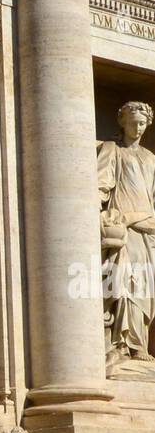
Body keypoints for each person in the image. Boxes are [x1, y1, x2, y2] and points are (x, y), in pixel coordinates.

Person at [98, 101, 155, 368]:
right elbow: (102, 183)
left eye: (142, 123)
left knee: (146, 288)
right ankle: (125, 343)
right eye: (133, 122)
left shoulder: (150, 158)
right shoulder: (113, 150)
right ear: (122, 122)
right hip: (125, 226)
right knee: (125, 285)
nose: (137, 127)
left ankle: (141, 340)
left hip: (148, 230)